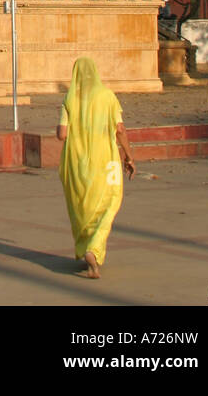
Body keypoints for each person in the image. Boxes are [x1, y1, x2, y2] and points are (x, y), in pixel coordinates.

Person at [57, 56, 135, 279]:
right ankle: (94, 248)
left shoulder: (70, 98)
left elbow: (62, 134)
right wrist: (129, 156)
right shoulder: (108, 96)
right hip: (106, 161)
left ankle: (85, 249)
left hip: (76, 163)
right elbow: (120, 129)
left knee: (82, 208)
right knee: (109, 203)